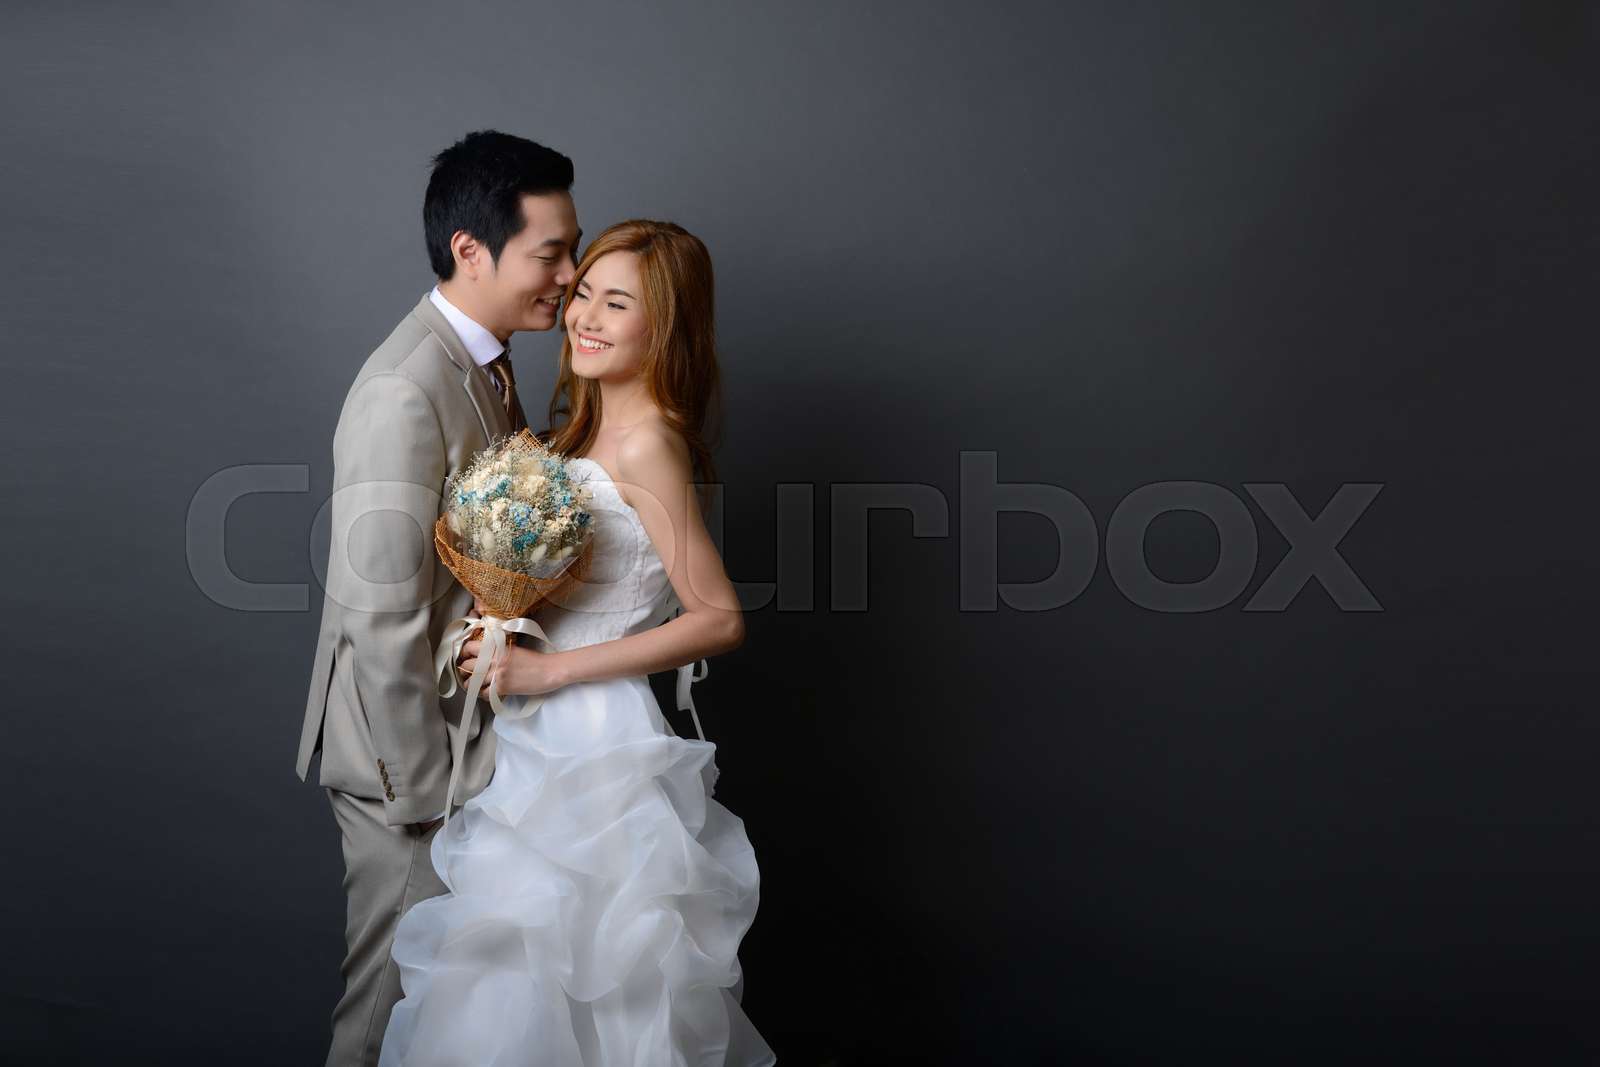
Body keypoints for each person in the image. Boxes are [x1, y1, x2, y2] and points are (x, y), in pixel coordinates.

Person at [379, 220, 775, 1065]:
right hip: (531, 734)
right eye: (584, 291)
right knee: (504, 982)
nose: (584, 315)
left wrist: (549, 667)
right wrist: (490, 628)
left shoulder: (648, 443)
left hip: (598, 750)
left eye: (617, 302)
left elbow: (717, 616)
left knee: (589, 979)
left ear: (662, 325)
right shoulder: (576, 431)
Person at [296, 130, 581, 1067]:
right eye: (551, 253)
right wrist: (424, 791)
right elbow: (375, 610)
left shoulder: (489, 363)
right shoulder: (403, 390)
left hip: (469, 740)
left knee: (446, 1011)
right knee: (385, 1004)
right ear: (471, 249)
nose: (569, 274)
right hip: (405, 763)